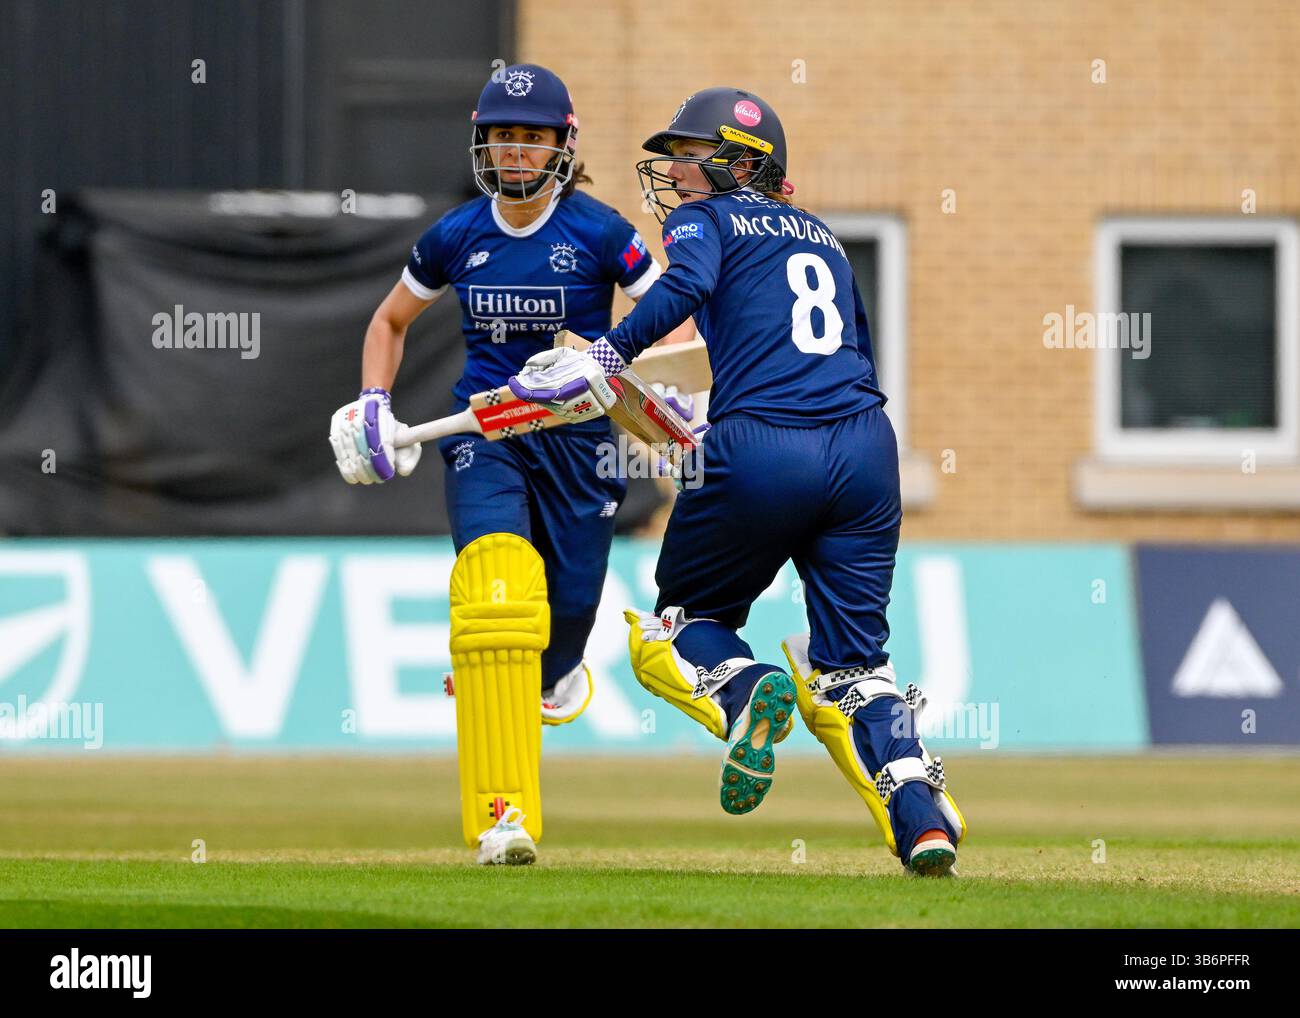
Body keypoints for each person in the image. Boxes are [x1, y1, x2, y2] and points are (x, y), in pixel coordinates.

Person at [508, 87, 967, 876]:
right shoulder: (823, 235)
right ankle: (921, 816)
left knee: (672, 627)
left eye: (688, 154)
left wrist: (600, 361)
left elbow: (681, 290)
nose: (674, 171)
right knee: (857, 666)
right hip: (864, 449)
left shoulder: (706, 219)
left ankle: (743, 686)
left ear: (740, 162)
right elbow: (841, 351)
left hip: (759, 448)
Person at [327, 64, 692, 864]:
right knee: (497, 594)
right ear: (481, 142)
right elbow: (389, 323)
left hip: (583, 446)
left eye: (531, 137)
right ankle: (503, 819)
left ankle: (551, 675)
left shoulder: (598, 232)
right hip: (482, 435)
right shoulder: (456, 236)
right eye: (502, 136)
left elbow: (670, 320)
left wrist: (624, 367)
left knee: (561, 620)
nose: (516, 152)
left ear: (564, 143)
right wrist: (374, 404)